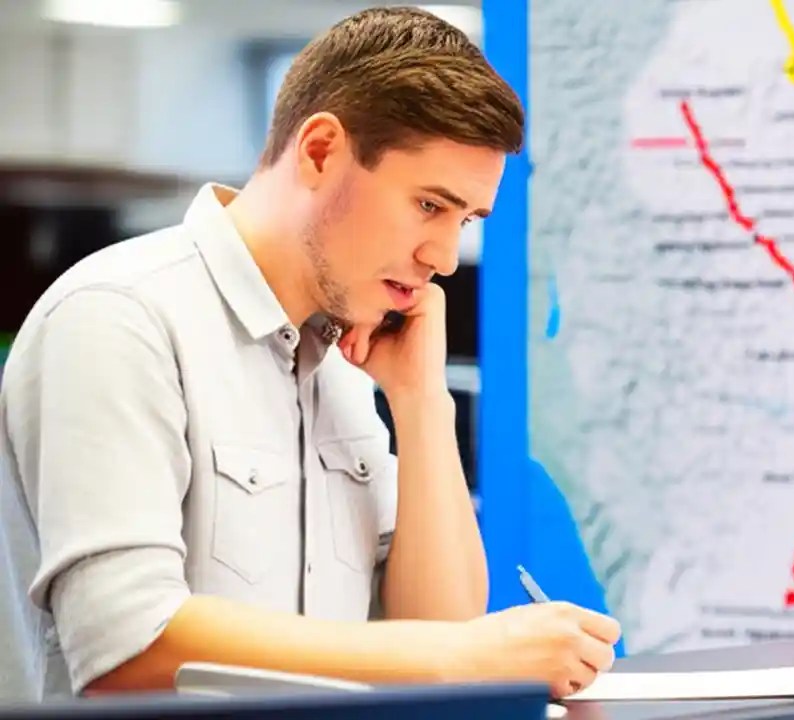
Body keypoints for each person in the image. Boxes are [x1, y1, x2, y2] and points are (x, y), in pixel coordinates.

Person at [0, 6, 620, 702]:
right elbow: (128, 644)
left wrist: (420, 406)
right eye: (428, 206)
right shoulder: (120, 318)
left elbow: (435, 638)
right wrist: (461, 651)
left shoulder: (342, 367)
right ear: (320, 150)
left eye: (466, 220)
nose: (444, 258)